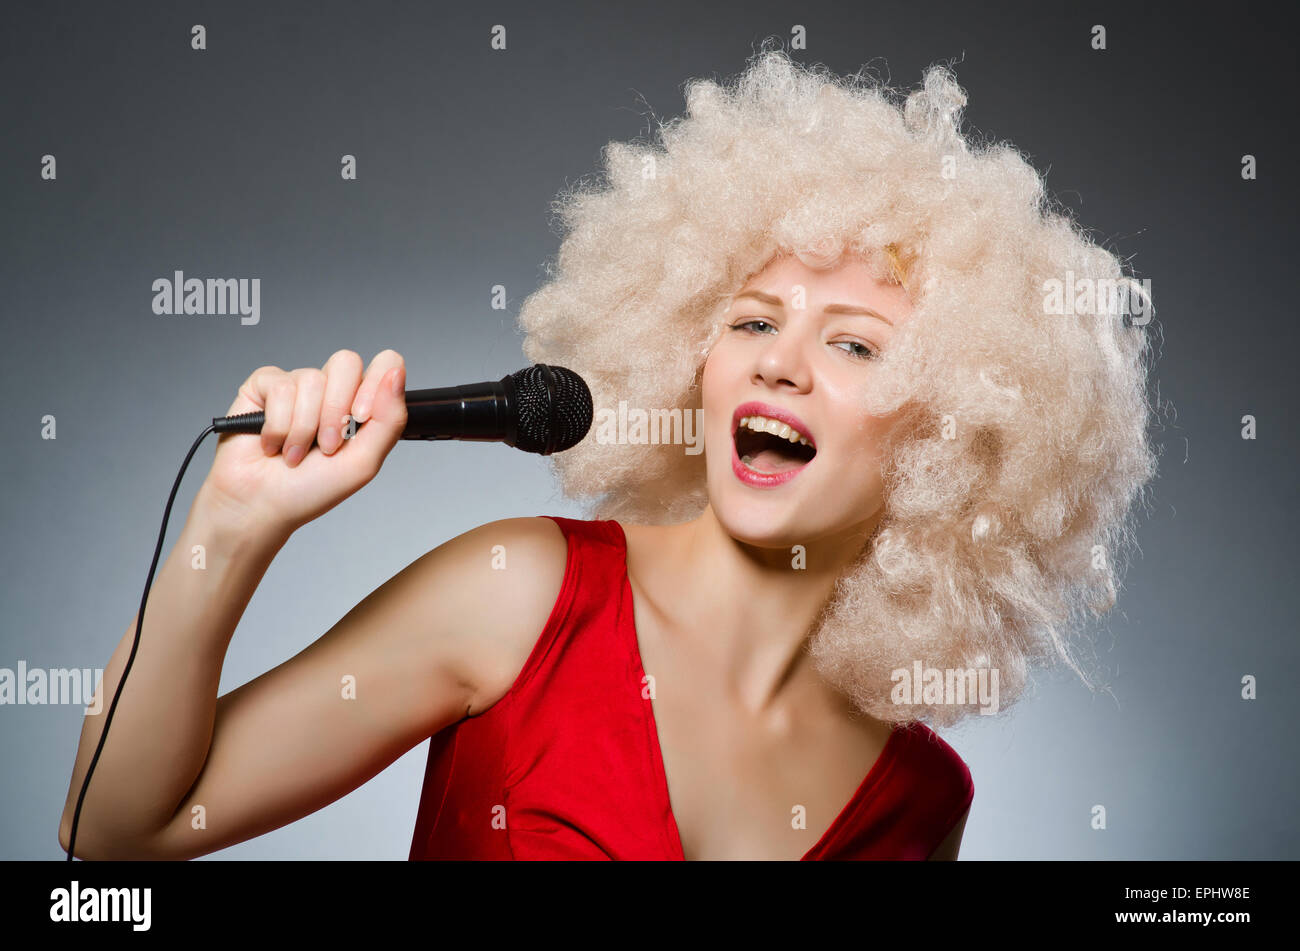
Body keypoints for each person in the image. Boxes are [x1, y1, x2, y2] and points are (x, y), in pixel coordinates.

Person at [57, 47, 1157, 861]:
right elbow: (114, 834)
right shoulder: (523, 596)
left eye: (854, 345)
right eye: (752, 319)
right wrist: (231, 529)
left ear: (950, 434)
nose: (780, 365)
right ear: (689, 353)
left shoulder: (921, 800)